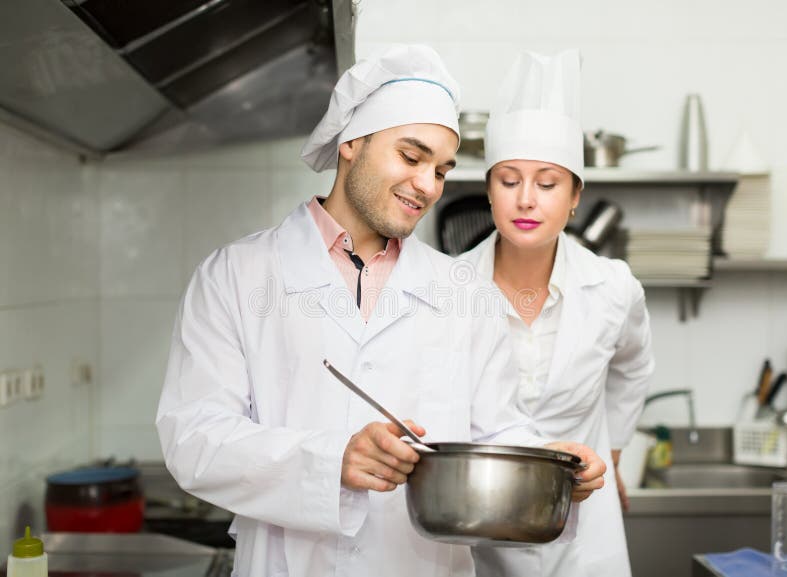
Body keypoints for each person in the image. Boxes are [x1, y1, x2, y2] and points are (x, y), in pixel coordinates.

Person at [156, 44, 605, 577]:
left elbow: (494, 433)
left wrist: (550, 467)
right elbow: (194, 436)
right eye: (411, 158)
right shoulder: (237, 275)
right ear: (352, 143)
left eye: (441, 170)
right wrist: (329, 463)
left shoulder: (463, 291)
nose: (427, 186)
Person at [460, 50, 654, 577]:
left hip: (585, 533)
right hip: (476, 533)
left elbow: (633, 367)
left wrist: (611, 454)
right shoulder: (445, 289)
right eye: (508, 180)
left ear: (574, 197)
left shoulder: (612, 288)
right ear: (488, 190)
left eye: (547, 183)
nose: (526, 199)